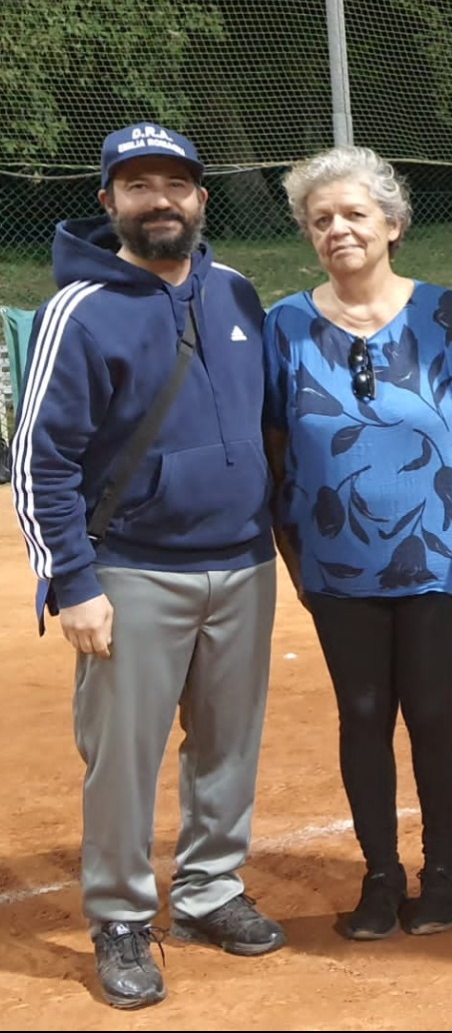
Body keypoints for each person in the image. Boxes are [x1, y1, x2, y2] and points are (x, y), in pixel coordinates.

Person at [10, 124, 284, 1008]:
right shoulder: (79, 310)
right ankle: (122, 917)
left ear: (202, 198)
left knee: (227, 744)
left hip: (242, 563)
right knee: (123, 757)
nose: (159, 199)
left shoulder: (238, 293)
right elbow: (39, 459)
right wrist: (73, 581)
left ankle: (207, 892)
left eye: (176, 184)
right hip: (130, 572)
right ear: (108, 202)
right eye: (138, 186)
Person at [264, 146, 452, 941]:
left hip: (438, 557)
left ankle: (442, 870)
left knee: (434, 711)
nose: (338, 230)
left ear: (393, 225)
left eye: (354, 214)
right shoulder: (285, 326)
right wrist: (294, 555)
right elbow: (273, 446)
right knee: (362, 713)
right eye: (321, 219)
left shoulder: (446, 316)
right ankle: (379, 875)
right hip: (334, 563)